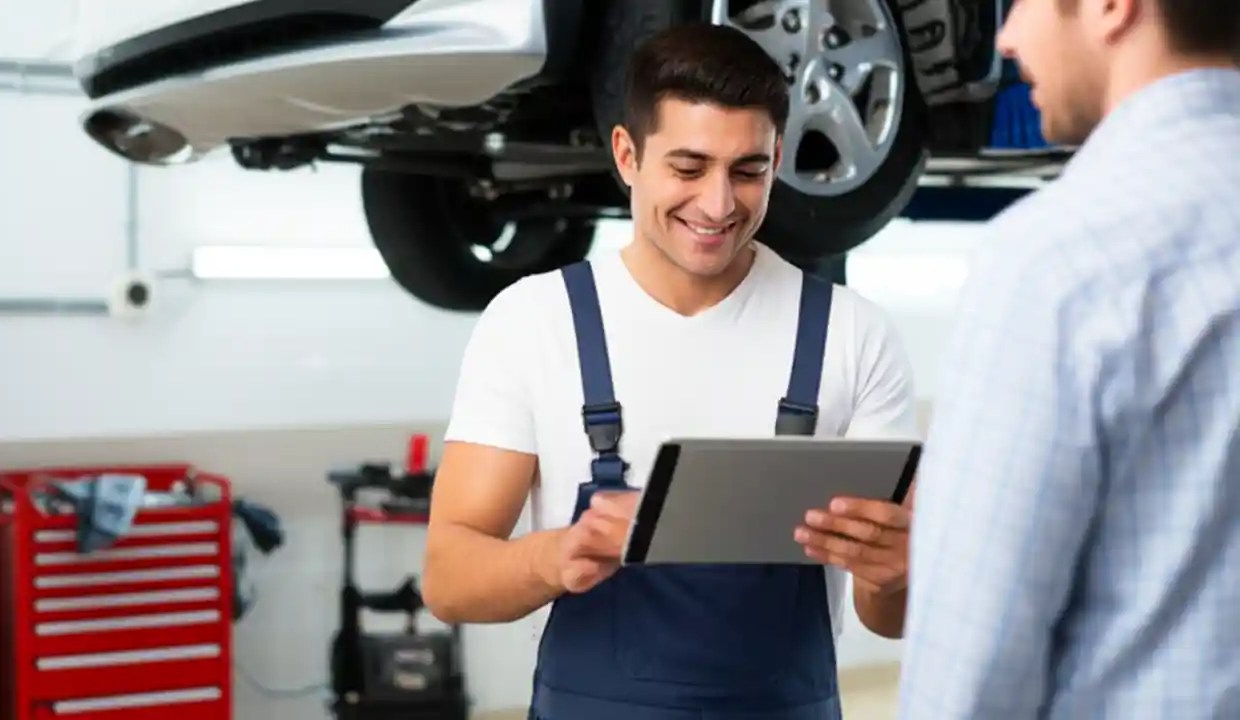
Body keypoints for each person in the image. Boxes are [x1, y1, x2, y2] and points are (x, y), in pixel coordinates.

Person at [421, 22, 921, 720]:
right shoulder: (535, 321)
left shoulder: (851, 334)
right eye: (688, 169)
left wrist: (901, 570)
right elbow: (448, 576)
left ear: (778, 157)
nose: (718, 205)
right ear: (627, 155)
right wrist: (554, 557)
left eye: (748, 171)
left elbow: (884, 615)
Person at [897, 0, 1240, 718]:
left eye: (1021, 2)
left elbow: (971, 673)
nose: (1009, 38)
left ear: (1113, 7)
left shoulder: (1055, 263)